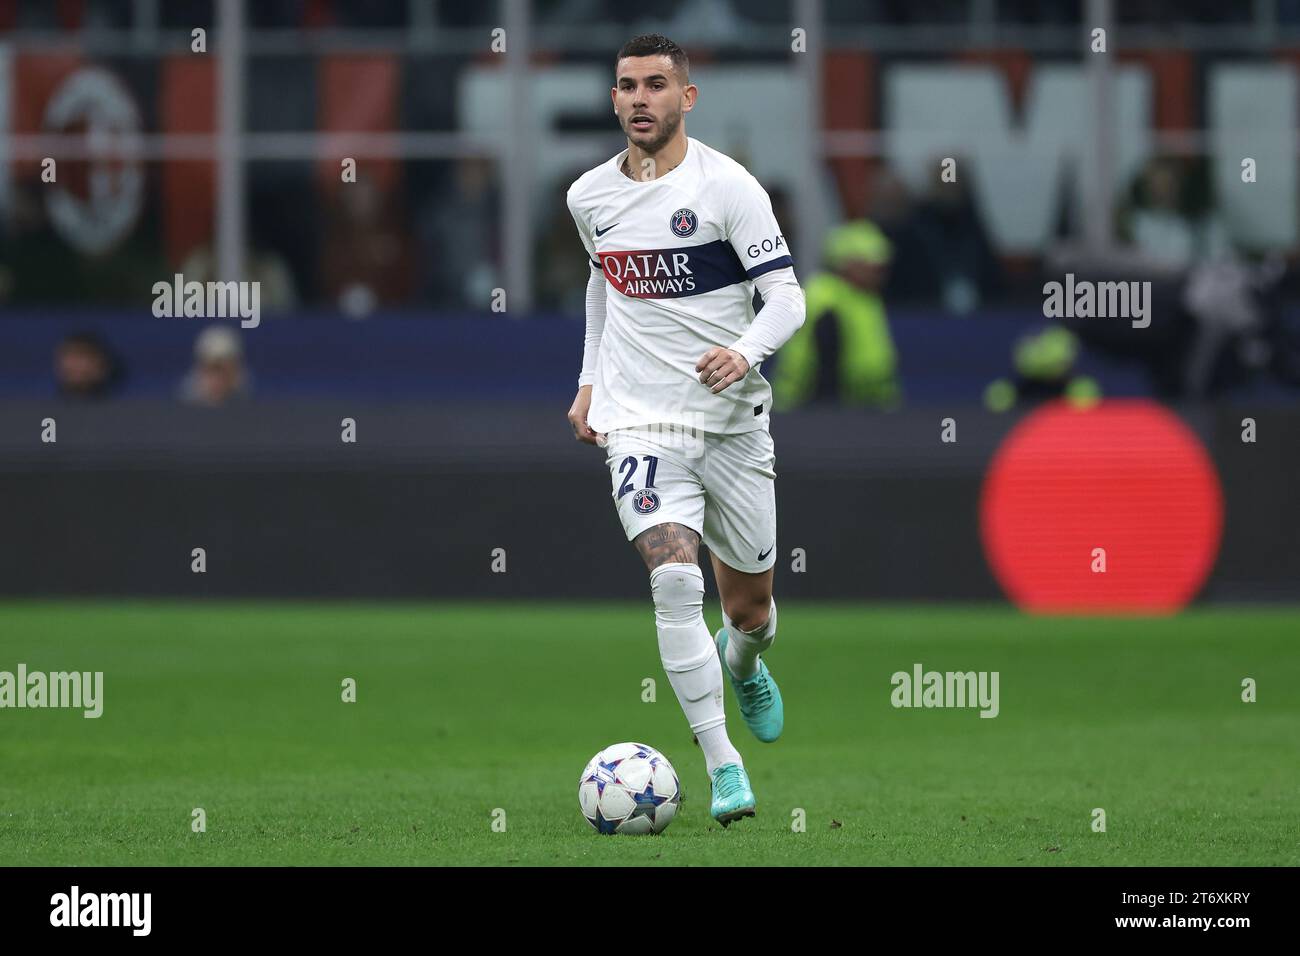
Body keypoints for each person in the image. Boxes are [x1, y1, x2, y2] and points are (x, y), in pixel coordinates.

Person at [564, 34, 805, 826]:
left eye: (656, 85)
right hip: (642, 423)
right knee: (673, 579)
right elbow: (604, 292)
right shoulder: (589, 197)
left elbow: (787, 300)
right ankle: (722, 763)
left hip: (734, 428)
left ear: (686, 99)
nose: (640, 98)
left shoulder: (729, 189)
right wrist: (589, 386)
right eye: (627, 85)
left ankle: (745, 664)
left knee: (750, 613)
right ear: (614, 99)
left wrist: (743, 352)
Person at [772, 220, 900, 410]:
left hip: (866, 405)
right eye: (871, 265)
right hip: (817, 406)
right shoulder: (823, 295)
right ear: (847, 262)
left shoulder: (867, 297)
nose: (879, 273)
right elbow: (806, 360)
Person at [179, 325, 251, 407]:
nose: (218, 379)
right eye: (212, 370)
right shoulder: (181, 406)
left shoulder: (250, 404)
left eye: (224, 371)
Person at [54, 331, 123, 400]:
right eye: (69, 355)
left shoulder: (122, 406)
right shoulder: (47, 405)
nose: (75, 363)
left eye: (81, 355)